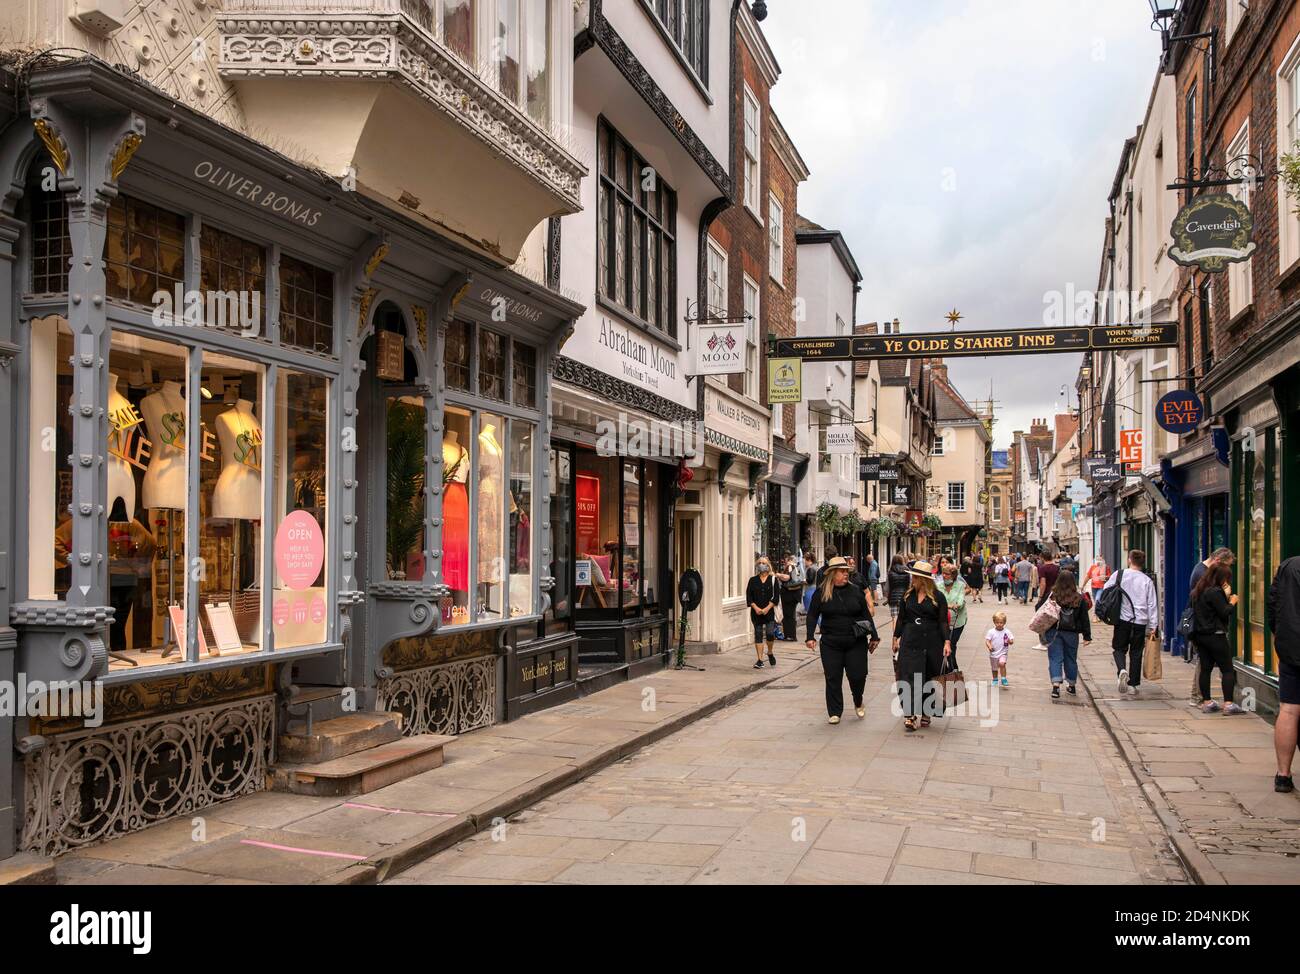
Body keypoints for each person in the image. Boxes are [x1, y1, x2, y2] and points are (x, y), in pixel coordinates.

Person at [806, 557, 878, 723]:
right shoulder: (822, 592)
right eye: (842, 571)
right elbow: (812, 615)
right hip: (831, 642)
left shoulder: (856, 591)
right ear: (832, 574)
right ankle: (835, 711)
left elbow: (866, 615)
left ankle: (858, 699)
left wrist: (874, 636)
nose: (846, 574)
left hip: (855, 641)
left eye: (847, 571)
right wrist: (810, 636)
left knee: (858, 676)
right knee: (833, 677)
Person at [893, 560, 952, 732]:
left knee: (928, 678)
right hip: (910, 641)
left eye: (915, 577)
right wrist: (895, 637)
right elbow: (902, 618)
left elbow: (942, 622)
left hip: (932, 642)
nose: (912, 580)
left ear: (922, 579)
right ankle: (910, 715)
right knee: (908, 677)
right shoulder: (907, 595)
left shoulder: (938, 597)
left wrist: (947, 641)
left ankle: (927, 712)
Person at [1100, 549, 1160, 696]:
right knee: (1136, 652)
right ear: (1143, 562)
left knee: (1119, 648)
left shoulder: (1119, 574)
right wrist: (1154, 626)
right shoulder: (1147, 581)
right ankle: (1133, 685)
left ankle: (1121, 669)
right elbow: (1152, 604)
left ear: (1129, 560)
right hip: (1140, 621)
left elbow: (1106, 590)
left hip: (1122, 619)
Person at [1267, 555, 1300, 792]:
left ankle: (1283, 775)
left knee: (1289, 709)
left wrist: (1279, 633)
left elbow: (1272, 604)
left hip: (1291, 647)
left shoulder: (1289, 565)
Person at [1190, 561, 1242, 714]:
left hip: (1200, 636)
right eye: (1226, 577)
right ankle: (1228, 704)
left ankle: (1207, 702)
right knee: (1227, 670)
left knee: (1205, 669)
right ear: (1220, 577)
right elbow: (1224, 612)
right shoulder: (1214, 592)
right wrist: (1232, 601)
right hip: (1216, 636)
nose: (1227, 581)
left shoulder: (1198, 591)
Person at [1044, 571, 1091, 698]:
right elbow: (1084, 618)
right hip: (1072, 633)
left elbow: (1042, 610)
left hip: (1054, 631)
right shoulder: (1078, 598)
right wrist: (1087, 636)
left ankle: (1055, 686)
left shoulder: (1053, 596)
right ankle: (1071, 685)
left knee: (1055, 657)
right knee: (1070, 658)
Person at [746, 556, 780, 669]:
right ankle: (760, 660)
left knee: (770, 633)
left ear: (768, 565)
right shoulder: (752, 580)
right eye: (759, 562)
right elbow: (749, 597)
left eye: (764, 563)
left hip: (769, 612)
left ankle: (769, 652)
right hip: (756, 612)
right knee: (758, 634)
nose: (761, 564)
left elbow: (776, 597)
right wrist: (756, 608)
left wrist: (766, 608)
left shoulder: (773, 579)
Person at [937, 561, 968, 669]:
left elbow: (959, 603)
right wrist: (949, 606)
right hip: (942, 620)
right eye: (943, 573)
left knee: (952, 644)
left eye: (947, 574)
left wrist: (947, 605)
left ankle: (953, 668)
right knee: (944, 644)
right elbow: (935, 601)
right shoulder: (938, 586)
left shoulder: (960, 586)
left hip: (957, 621)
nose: (944, 576)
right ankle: (950, 668)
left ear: (954, 575)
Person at [778, 552, 805, 643]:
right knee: (791, 615)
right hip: (794, 595)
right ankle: (791, 635)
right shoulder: (797, 567)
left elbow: (787, 577)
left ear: (788, 560)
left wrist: (778, 575)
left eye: (785, 560)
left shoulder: (790, 567)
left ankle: (789, 636)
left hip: (789, 595)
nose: (784, 562)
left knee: (788, 615)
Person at [986, 610, 1013, 687]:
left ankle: (1004, 678)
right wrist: (989, 646)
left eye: (1001, 623)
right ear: (994, 622)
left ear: (1004, 623)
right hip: (993, 654)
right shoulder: (991, 632)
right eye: (997, 622)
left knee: (1002, 664)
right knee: (994, 668)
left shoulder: (1007, 631)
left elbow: (1011, 641)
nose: (999, 624)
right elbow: (987, 641)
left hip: (1003, 652)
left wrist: (1009, 641)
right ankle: (995, 679)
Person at [886, 554, 910, 620]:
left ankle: (895, 630)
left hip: (893, 598)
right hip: (905, 597)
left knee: (895, 618)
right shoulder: (907, 571)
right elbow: (910, 584)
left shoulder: (890, 572)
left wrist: (888, 596)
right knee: (904, 618)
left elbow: (886, 588)